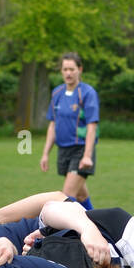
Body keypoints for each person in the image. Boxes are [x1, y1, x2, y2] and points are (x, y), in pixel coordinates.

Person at [39, 52, 99, 208]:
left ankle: (65, 232)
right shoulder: (57, 93)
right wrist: (45, 153)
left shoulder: (87, 93)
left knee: (66, 198)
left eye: (72, 69)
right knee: (80, 195)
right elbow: (53, 124)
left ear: (80, 69)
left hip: (81, 150)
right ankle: (99, 229)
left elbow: (92, 126)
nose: (68, 73)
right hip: (63, 150)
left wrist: (87, 156)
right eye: (65, 69)